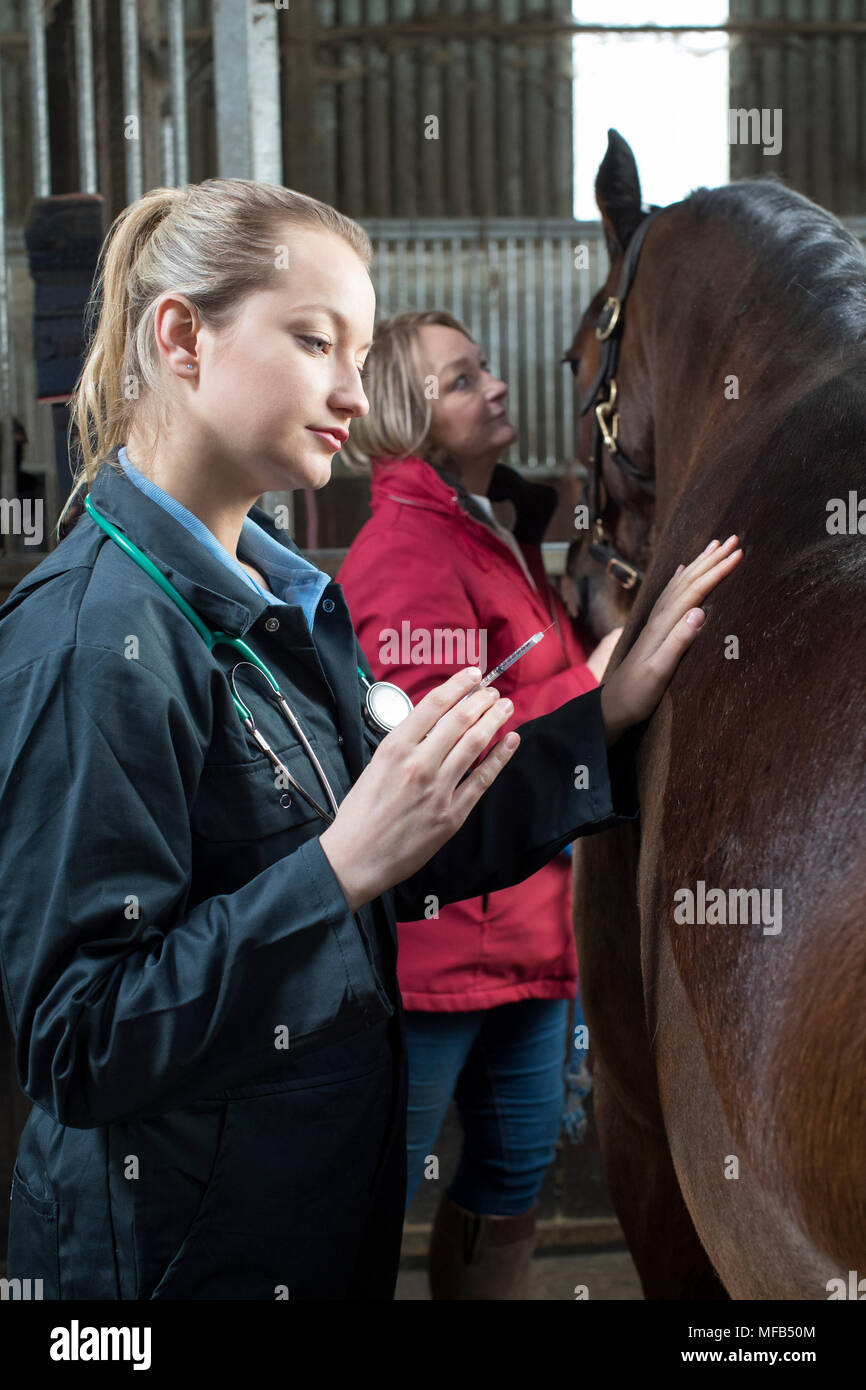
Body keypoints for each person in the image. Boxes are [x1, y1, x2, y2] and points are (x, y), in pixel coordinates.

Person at [0, 177, 743, 1301]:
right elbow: (79, 1038)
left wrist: (606, 714)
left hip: (301, 1229)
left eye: (358, 349)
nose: (354, 390)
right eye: (314, 340)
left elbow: (407, 847)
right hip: (164, 1271)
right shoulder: (95, 642)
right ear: (182, 336)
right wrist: (334, 868)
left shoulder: (284, 600)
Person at [338, 310, 622, 1298]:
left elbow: (524, 691)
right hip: (440, 950)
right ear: (404, 420)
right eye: (460, 380)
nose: (495, 386)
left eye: (485, 367)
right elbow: (446, 756)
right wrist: (606, 683)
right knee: (364, 1194)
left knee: (510, 1177)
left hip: (527, 941)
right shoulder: (405, 555)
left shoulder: (486, 529)